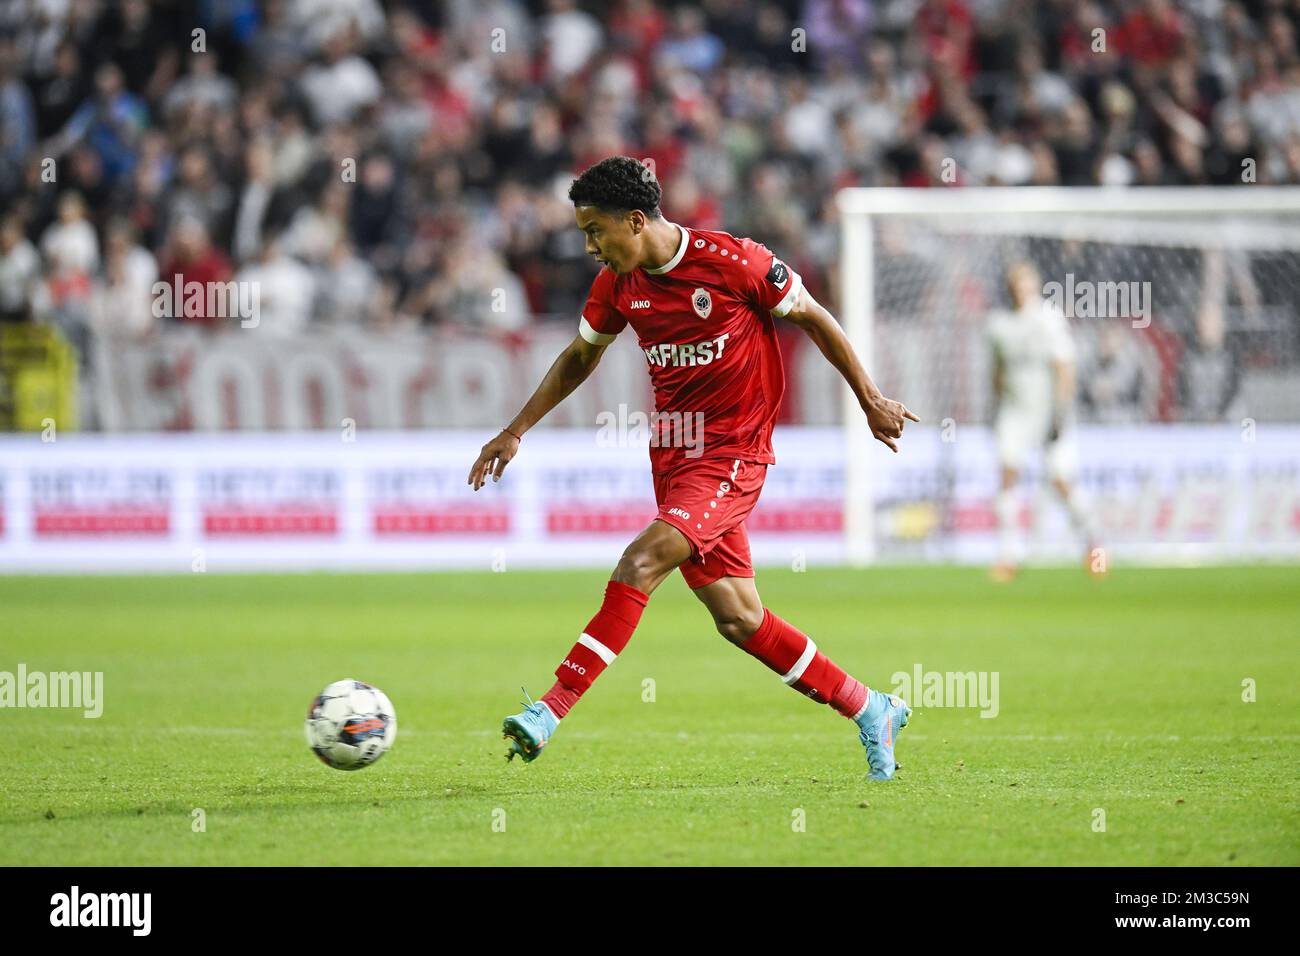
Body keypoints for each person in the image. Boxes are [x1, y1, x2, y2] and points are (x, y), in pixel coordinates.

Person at [467, 157, 918, 780]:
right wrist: (515, 430)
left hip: (734, 454)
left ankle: (552, 707)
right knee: (738, 617)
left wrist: (869, 399)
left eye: (595, 231)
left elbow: (814, 315)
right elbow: (578, 357)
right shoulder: (618, 284)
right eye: (583, 234)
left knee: (640, 561)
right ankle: (872, 708)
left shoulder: (734, 262)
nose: (590, 246)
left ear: (634, 220)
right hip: (674, 457)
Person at [987, 260, 1101, 581]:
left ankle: (1094, 545)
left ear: (1035, 286)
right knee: (1007, 476)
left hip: (1048, 413)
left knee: (1061, 481)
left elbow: (1064, 367)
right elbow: (996, 373)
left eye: (1026, 284)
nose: (1021, 291)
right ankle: (1008, 557)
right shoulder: (999, 325)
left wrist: (1060, 413)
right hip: (1014, 413)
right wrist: (994, 411)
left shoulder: (1048, 319)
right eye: (1015, 284)